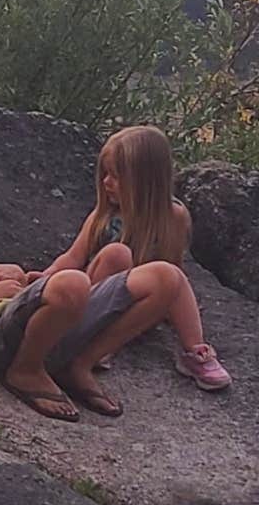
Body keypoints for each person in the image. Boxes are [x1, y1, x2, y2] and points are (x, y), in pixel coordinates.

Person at [0, 189, 228, 425]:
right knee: (72, 283)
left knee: (163, 276)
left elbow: (26, 294)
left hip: (44, 322)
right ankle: (25, 371)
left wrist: (19, 274)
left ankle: (81, 364)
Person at [34, 124, 232, 400]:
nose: (106, 183)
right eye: (105, 174)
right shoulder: (104, 216)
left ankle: (195, 351)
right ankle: (95, 338)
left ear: (145, 180)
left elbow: (171, 262)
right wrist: (45, 280)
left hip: (141, 301)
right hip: (98, 299)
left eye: (115, 176)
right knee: (117, 254)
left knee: (175, 277)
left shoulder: (174, 217)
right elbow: (73, 257)